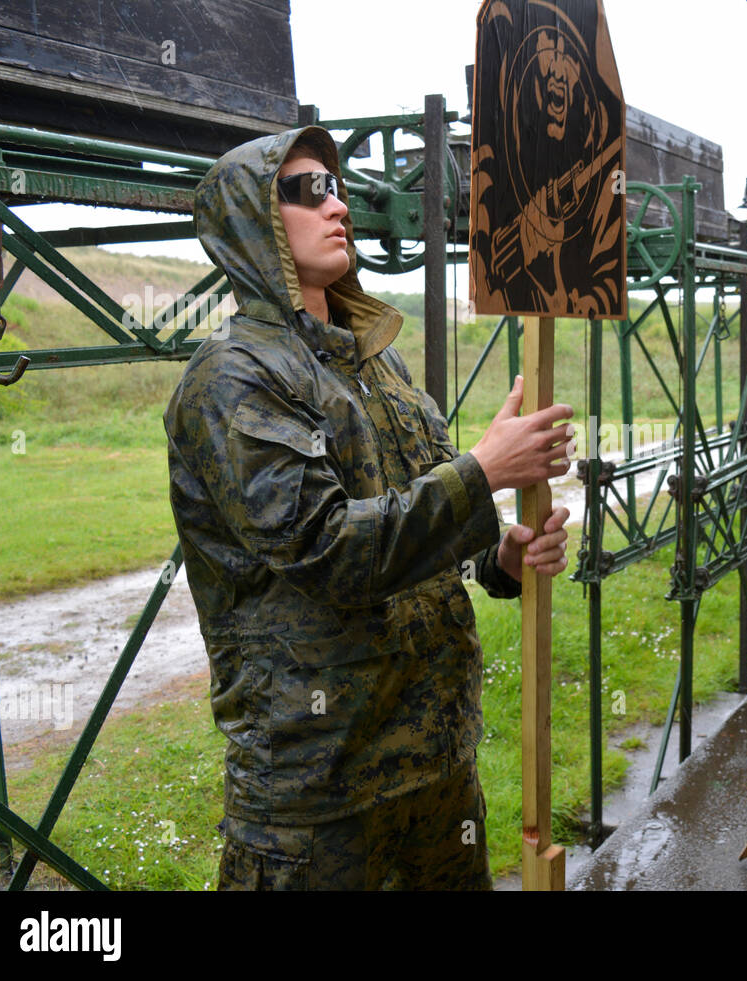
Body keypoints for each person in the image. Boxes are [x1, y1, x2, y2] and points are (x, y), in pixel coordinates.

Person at [163, 126, 575, 890]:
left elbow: (421, 515)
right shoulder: (232, 378)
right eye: (307, 190)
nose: (338, 205)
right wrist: (483, 474)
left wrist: (502, 557)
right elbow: (327, 552)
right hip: (322, 796)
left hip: (434, 766)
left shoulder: (375, 362)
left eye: (338, 186)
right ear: (253, 218)